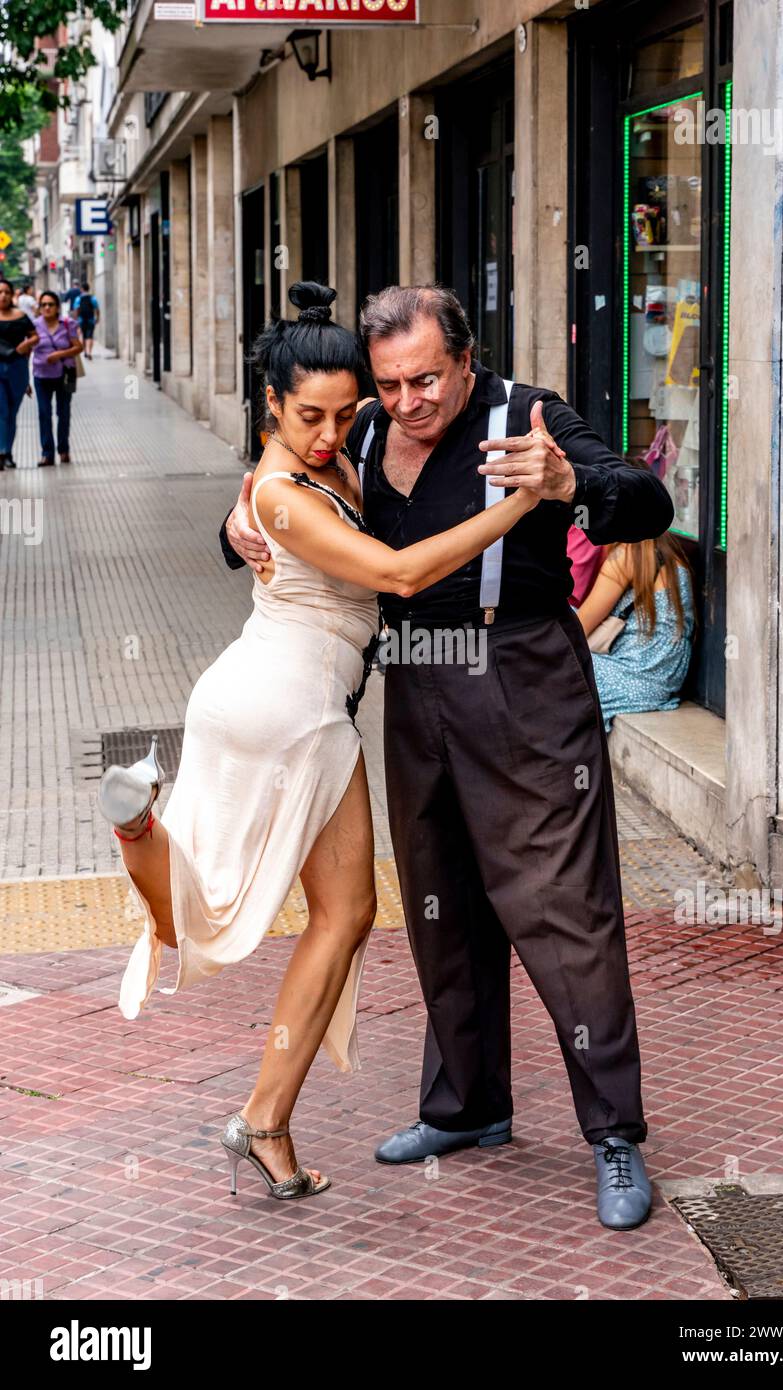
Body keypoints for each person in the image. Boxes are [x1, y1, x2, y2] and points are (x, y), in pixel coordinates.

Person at [223, 284, 675, 1231]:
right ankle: (466, 1108)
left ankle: (613, 1133)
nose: (407, 400)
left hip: (522, 667)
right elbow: (292, 508)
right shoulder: (352, 441)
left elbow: (644, 499)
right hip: (415, 679)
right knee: (440, 899)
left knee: (562, 906)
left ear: (467, 360)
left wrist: (569, 486)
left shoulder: (530, 415)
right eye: (388, 384)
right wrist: (231, 534)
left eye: (425, 377)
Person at [97, 281, 538, 1202]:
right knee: (212, 917)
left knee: (336, 919)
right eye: (309, 416)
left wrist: (239, 515)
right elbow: (402, 573)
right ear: (271, 407)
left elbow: (274, 511)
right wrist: (517, 504)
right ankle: (138, 834)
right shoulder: (282, 485)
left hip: (286, 701)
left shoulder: (311, 463)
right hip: (286, 708)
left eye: (346, 411)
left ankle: (264, 1119)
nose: (331, 433)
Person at [578, 516, 695, 733]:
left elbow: (577, 629)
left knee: (545, 667)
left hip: (632, 676)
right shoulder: (670, 553)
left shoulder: (627, 555)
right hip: (662, 682)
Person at [31, 291, 83, 467]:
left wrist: (60, 353)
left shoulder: (68, 324)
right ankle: (47, 454)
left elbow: (78, 347)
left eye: (50, 304)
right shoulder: (34, 325)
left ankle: (63, 450)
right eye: (43, 304)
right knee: (44, 413)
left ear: (57, 307)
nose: (47, 308)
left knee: (64, 412)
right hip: (41, 376)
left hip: (65, 374)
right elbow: (27, 350)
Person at [0, 278, 38, 469]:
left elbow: (35, 336)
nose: (3, 296)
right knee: (2, 412)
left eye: (7, 292)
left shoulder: (20, 316)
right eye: (0, 292)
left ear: (12, 294)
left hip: (17, 368)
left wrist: (27, 344)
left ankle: (8, 452)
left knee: (12, 413)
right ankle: (1, 452)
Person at [72, 281, 99, 359]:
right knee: (90, 336)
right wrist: (97, 318)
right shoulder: (93, 298)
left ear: (82, 289)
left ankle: (84, 351)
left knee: (83, 336)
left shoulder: (78, 299)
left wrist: (75, 320)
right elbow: (97, 309)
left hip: (81, 320)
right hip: (91, 320)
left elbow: (76, 310)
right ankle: (89, 352)